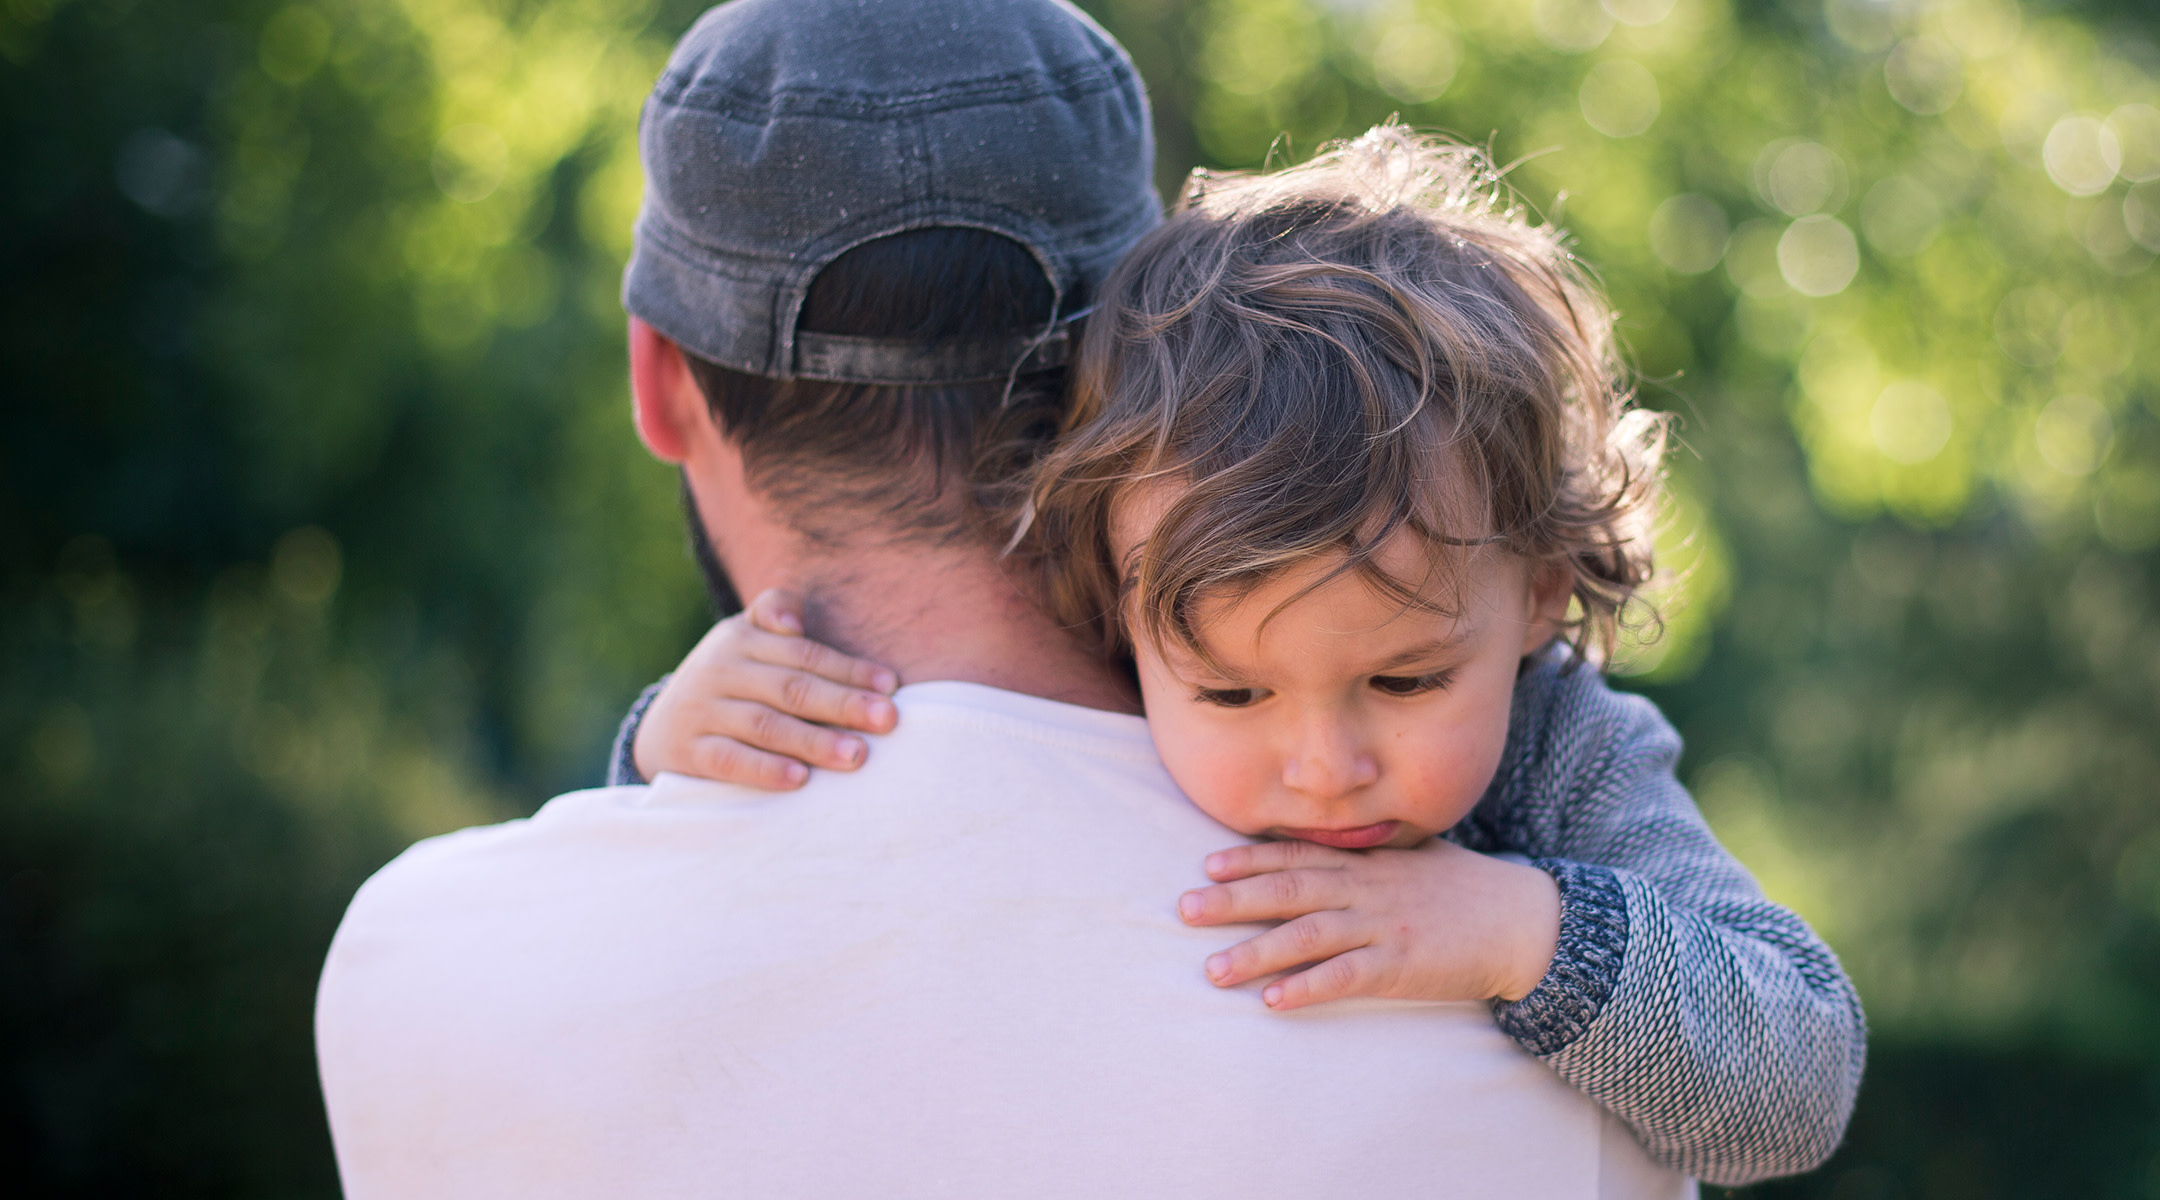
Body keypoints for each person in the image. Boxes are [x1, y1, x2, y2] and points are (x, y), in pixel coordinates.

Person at [315, 1, 1694, 1196]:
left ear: (660, 383)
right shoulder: (1557, 1022)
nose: (1322, 759)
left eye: (1395, 679)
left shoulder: (420, 967)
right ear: (1159, 378)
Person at [607, 128, 1868, 1183]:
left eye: (1407, 680)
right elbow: (752, 914)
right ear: (1114, 610)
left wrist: (1526, 930)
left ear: (1539, 592)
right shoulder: (1101, 706)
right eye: (1232, 691)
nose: (1323, 765)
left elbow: (1799, 1075)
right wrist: (665, 747)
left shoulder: (1562, 760)